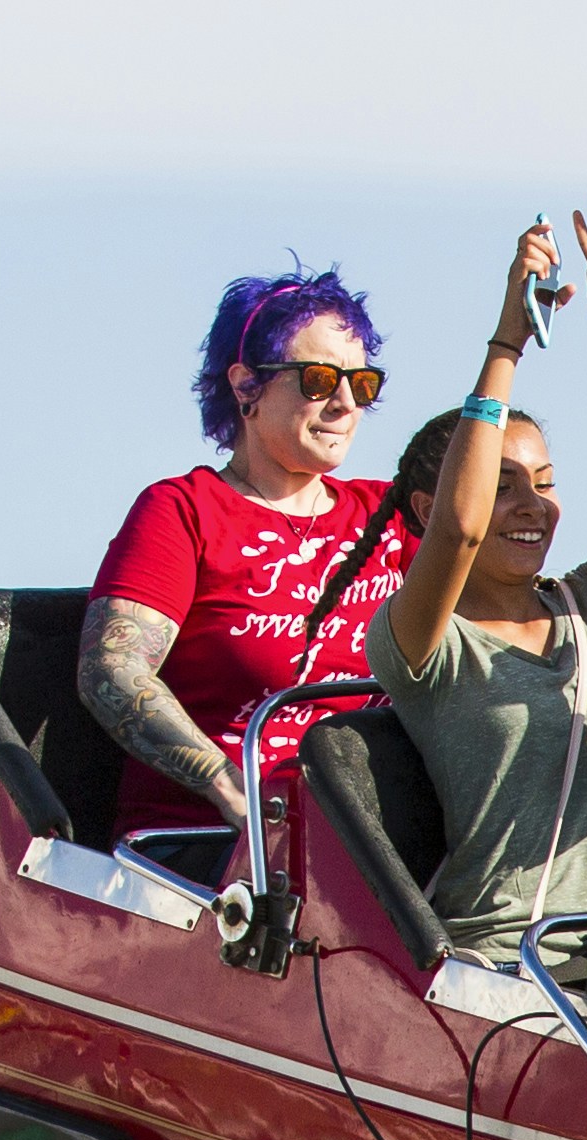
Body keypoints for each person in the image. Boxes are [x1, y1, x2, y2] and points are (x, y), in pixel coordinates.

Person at [344, 208, 587, 957]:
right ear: (425, 506)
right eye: (505, 484)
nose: (532, 505)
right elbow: (461, 530)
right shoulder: (423, 640)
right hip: (501, 965)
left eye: (543, 482)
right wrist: (508, 342)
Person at [84, 263, 404, 869]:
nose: (343, 402)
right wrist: (229, 786)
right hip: (207, 853)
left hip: (361, 849)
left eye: (361, 384)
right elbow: (113, 669)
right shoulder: (183, 510)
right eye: (317, 379)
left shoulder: (391, 513)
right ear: (246, 386)